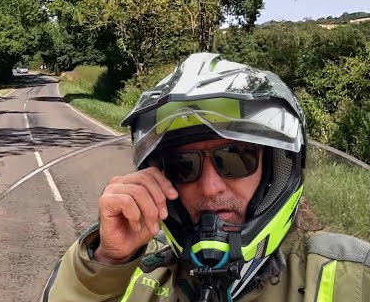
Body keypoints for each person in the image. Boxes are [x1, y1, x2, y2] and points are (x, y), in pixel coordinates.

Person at [43, 53, 370, 302]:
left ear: (276, 169)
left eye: (234, 158)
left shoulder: (351, 276)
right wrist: (107, 264)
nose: (209, 187)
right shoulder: (139, 272)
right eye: (184, 165)